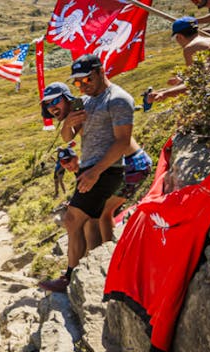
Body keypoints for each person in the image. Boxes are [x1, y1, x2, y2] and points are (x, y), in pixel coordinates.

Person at [39, 74, 150, 292]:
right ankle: (109, 264)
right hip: (128, 165)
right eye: (47, 104)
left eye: (55, 101)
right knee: (100, 216)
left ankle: (77, 274)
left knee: (79, 218)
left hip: (124, 164)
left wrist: (95, 171)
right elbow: (66, 137)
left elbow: (116, 138)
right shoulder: (76, 111)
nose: (51, 107)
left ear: (67, 97)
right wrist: (67, 123)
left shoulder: (86, 105)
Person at [145, 17, 210, 106]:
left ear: (179, 36)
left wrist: (165, 94)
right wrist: (166, 90)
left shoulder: (190, 48)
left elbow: (194, 83)